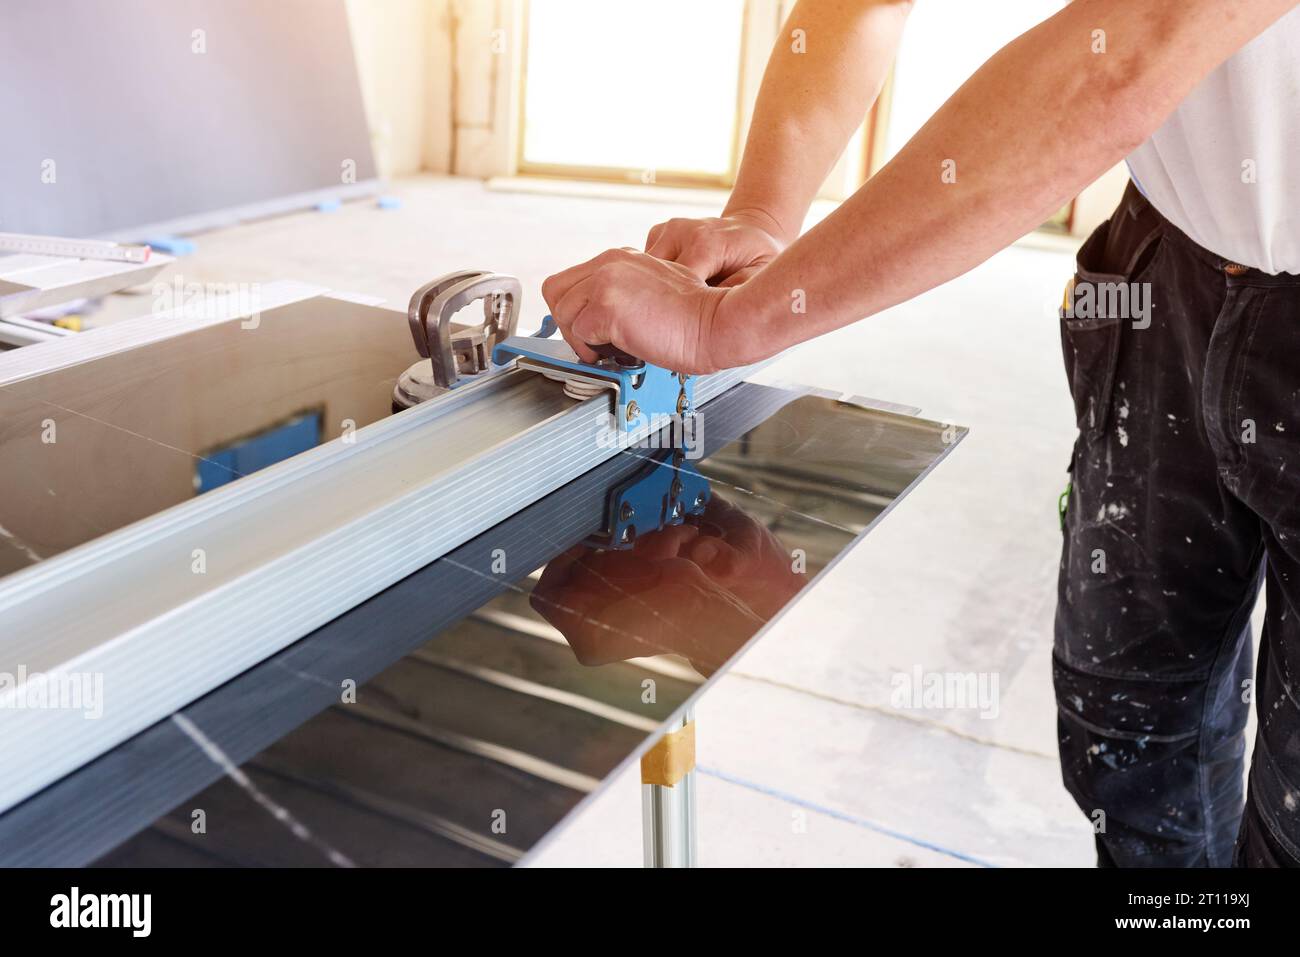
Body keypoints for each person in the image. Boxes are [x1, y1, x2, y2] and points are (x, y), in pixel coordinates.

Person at [541, 0, 1300, 867]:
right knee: (1128, 727)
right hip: (1176, 255)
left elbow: (1126, 51)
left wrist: (732, 324)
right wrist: (762, 219)